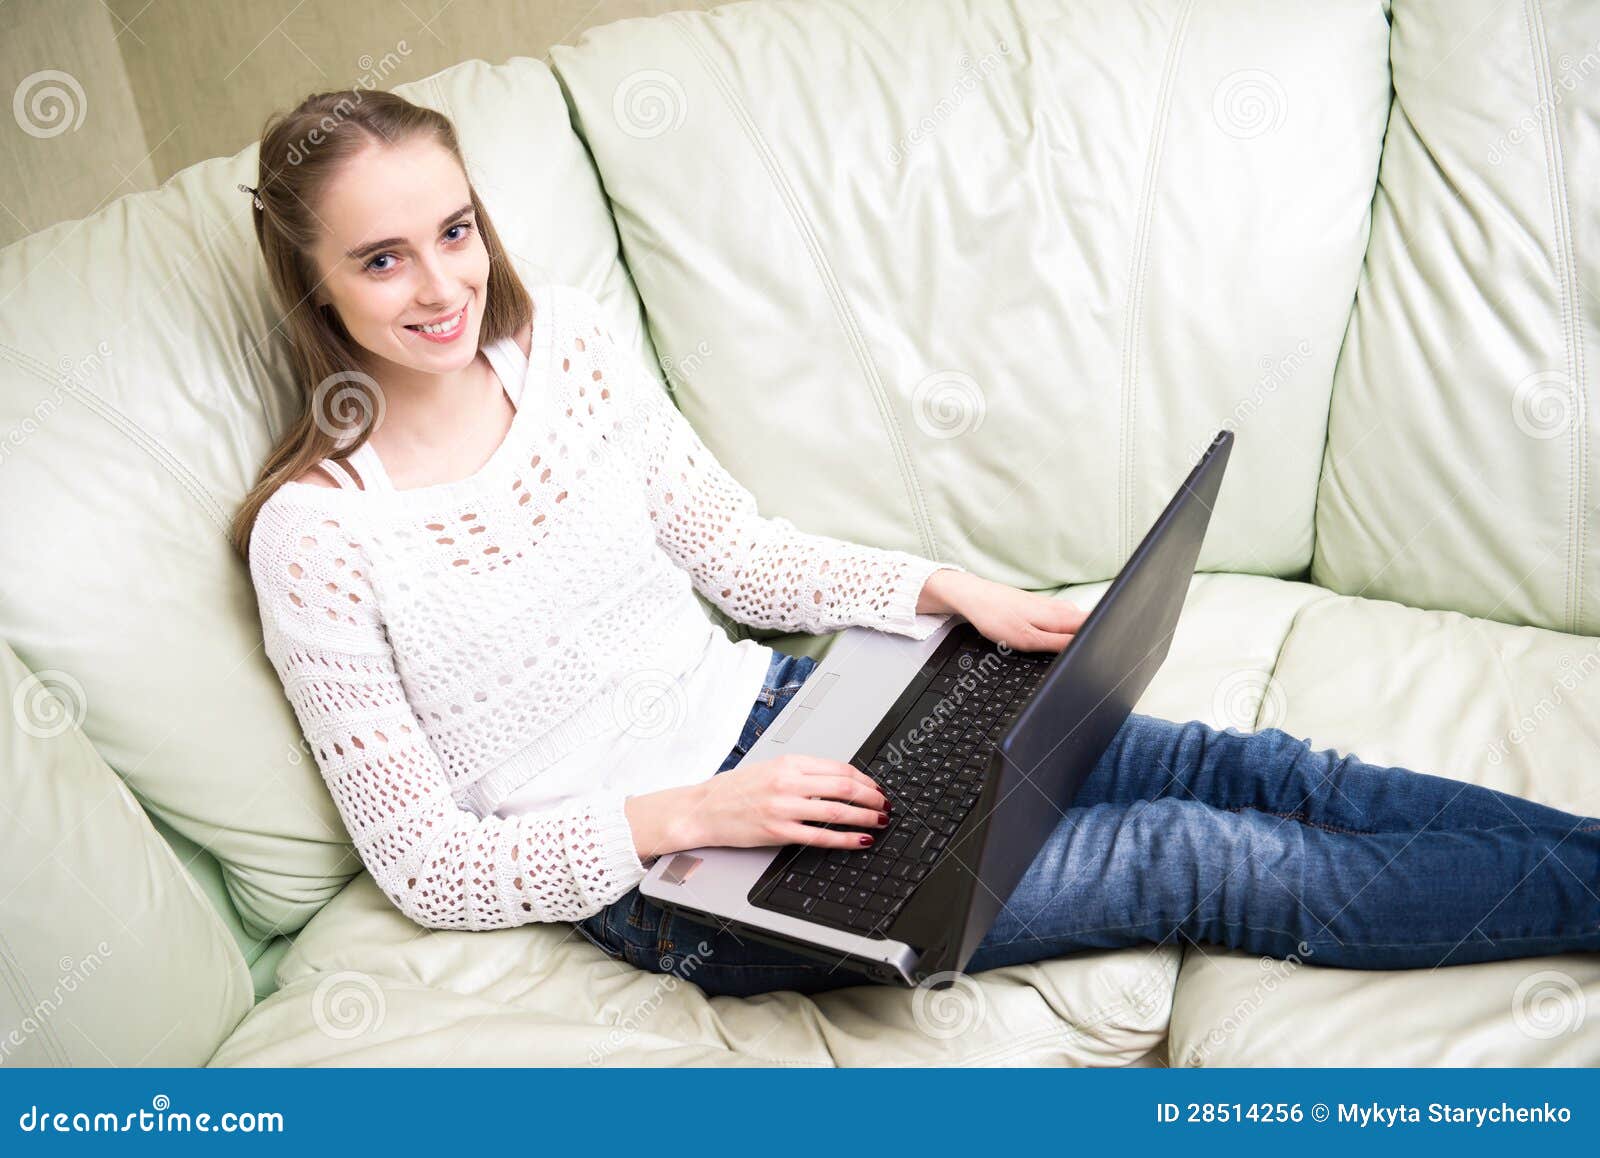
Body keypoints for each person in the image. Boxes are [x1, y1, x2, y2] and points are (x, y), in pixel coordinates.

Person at [234, 89, 1600, 1004]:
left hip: (793, 714)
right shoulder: (316, 537)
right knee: (1197, 853)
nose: (444, 284)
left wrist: (944, 591)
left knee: (1238, 759)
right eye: (382, 259)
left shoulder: (568, 348)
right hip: (680, 879)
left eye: (456, 231)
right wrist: (691, 816)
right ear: (310, 282)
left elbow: (738, 552)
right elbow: (423, 862)